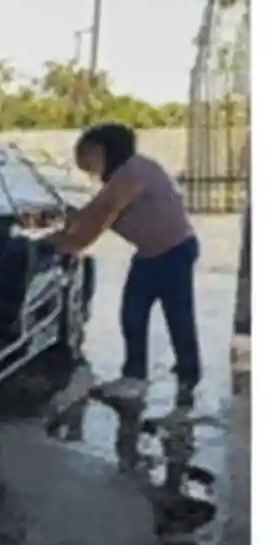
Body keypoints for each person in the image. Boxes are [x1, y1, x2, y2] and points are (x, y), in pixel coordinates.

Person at [48, 122, 201, 409]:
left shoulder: (133, 173)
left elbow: (103, 214)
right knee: (134, 314)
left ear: (105, 150)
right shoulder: (121, 177)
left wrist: (71, 244)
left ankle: (181, 376)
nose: (82, 159)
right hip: (150, 254)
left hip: (173, 252)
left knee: (174, 315)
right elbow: (94, 209)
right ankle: (141, 375)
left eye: (87, 152)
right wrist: (68, 224)